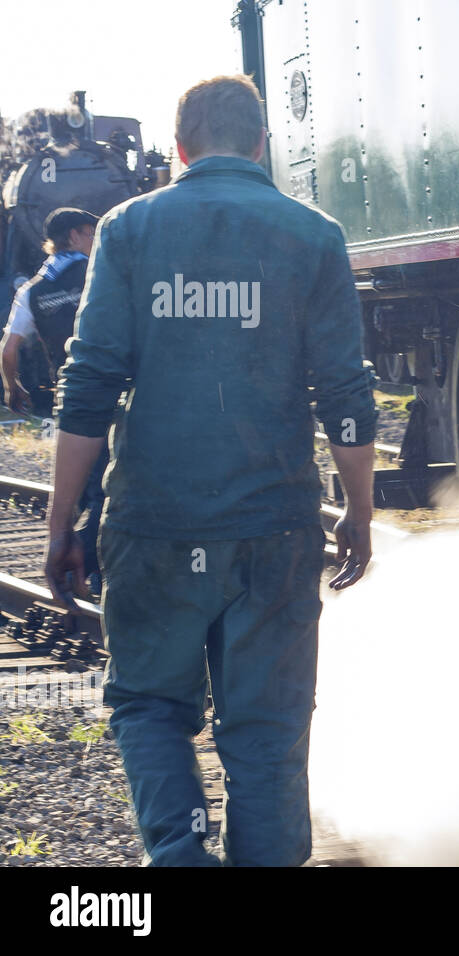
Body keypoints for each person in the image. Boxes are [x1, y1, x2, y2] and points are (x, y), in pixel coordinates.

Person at [44, 74, 378, 866]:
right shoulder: (314, 235)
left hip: (154, 525)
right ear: (263, 144)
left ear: (180, 147)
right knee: (266, 730)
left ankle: (180, 853)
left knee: (152, 707)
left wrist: (62, 524)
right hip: (274, 525)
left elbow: (88, 383)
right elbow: (347, 394)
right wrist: (359, 512)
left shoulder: (128, 230)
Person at [3, 208, 110, 585]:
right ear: (77, 234)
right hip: (112, 391)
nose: (96, 237)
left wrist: (12, 386)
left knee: (84, 481)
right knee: (105, 483)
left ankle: (86, 555)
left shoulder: (32, 288)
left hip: (69, 395)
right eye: (92, 231)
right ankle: (86, 559)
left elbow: (9, 348)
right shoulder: (100, 272)